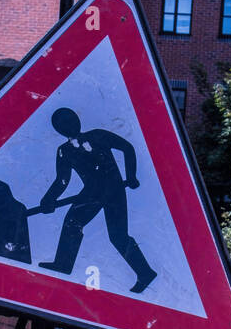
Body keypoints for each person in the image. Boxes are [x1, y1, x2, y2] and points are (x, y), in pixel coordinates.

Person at [38, 108, 157, 293]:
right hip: (91, 193)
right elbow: (62, 180)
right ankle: (63, 263)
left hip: (113, 189)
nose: (70, 125)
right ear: (59, 129)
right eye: (64, 124)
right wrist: (48, 199)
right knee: (72, 223)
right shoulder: (64, 151)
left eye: (72, 119)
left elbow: (127, 147)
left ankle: (145, 272)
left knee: (118, 235)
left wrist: (131, 176)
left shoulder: (98, 135)